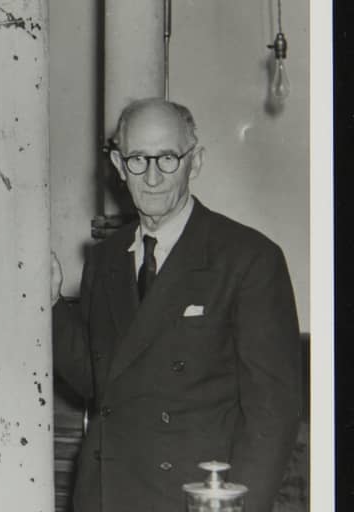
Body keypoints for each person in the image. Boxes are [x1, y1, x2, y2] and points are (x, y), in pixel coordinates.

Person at [50, 98, 302, 512]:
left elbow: (272, 415)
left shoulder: (247, 259)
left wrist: (228, 507)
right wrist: (53, 305)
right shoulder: (104, 259)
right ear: (118, 165)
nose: (152, 178)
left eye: (168, 158)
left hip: (193, 497)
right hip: (107, 494)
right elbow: (101, 382)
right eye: (138, 160)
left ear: (194, 162)